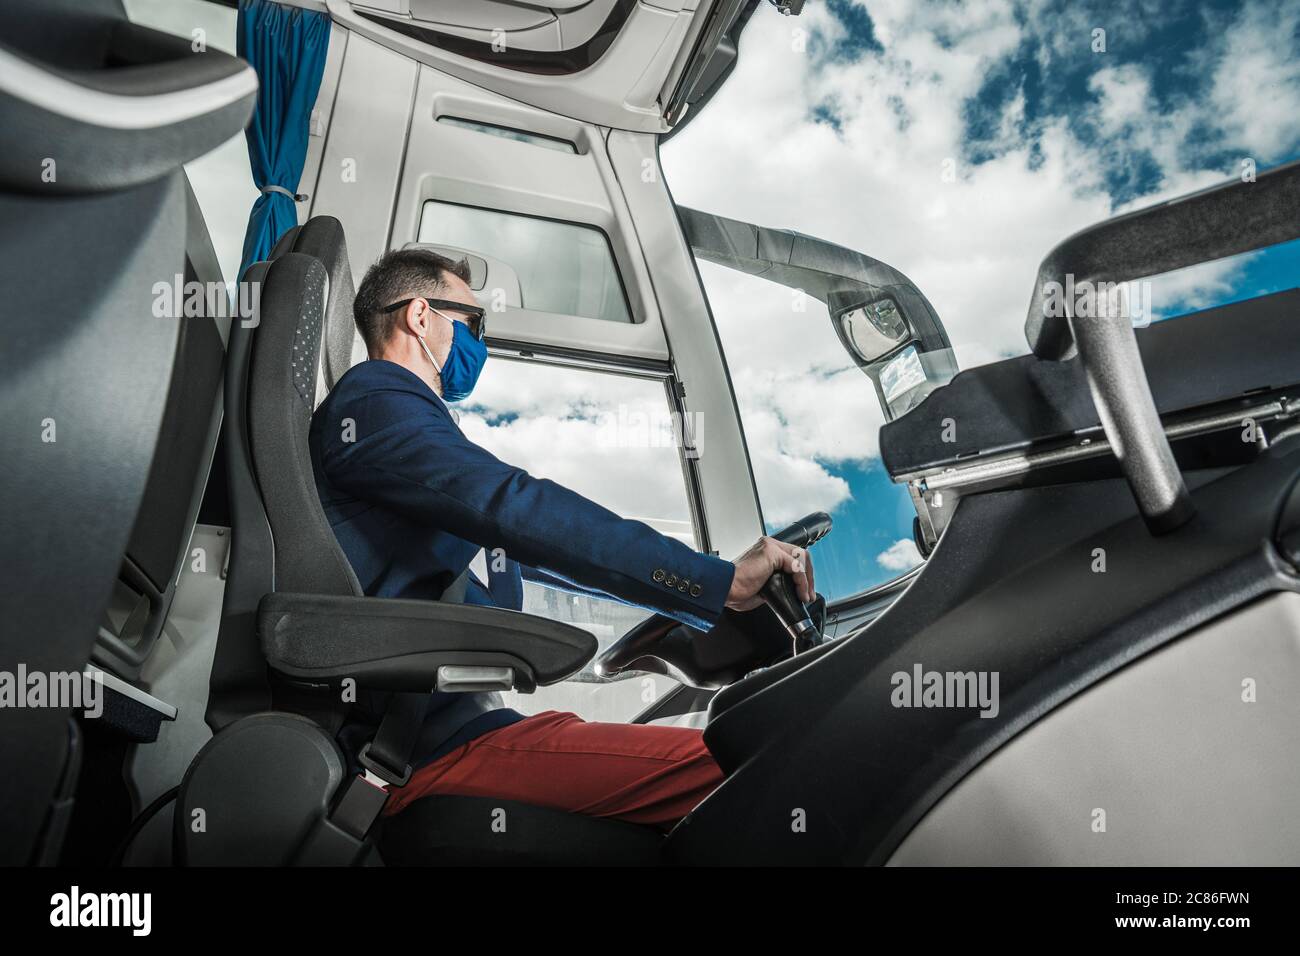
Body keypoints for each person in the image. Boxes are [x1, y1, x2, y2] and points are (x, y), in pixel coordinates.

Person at [309, 248, 813, 828]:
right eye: (474, 323)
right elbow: (516, 509)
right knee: (759, 765)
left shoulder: (395, 419)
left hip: (459, 731)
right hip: (430, 751)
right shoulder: (377, 400)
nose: (481, 345)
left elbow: (524, 542)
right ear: (420, 316)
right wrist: (717, 582)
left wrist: (700, 583)